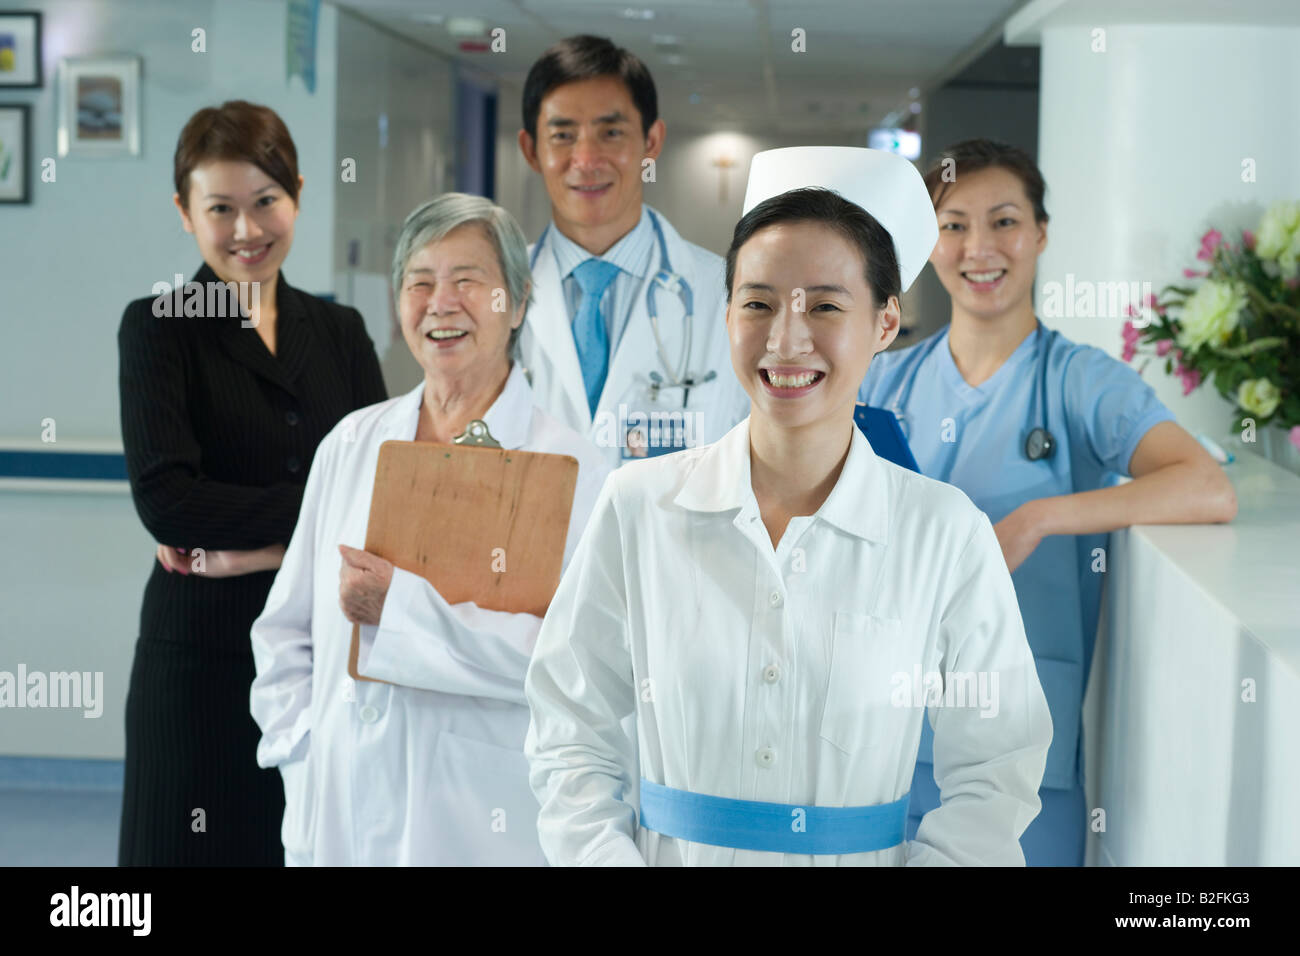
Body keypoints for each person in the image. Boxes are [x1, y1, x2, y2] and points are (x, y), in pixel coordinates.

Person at [524, 147, 1052, 866]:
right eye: (759, 302)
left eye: (826, 305)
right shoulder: (641, 507)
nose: (786, 338)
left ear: (886, 322)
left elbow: (998, 766)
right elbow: (568, 719)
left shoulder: (943, 533)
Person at [858, 138, 1238, 866]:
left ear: (1039, 234)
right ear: (927, 244)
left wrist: (1037, 518)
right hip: (887, 738)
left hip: (1025, 750)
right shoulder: (883, 383)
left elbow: (1205, 486)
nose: (980, 247)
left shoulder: (1080, 381)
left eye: (1004, 221)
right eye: (953, 224)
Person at [249, 193, 611, 866]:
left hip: (475, 820)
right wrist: (301, 753)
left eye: (467, 281)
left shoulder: (572, 469)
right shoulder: (351, 443)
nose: (439, 303)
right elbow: (284, 631)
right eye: (419, 282)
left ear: (519, 303)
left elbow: (572, 663)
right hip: (336, 813)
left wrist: (403, 610)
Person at [116, 100, 387, 866]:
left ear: (297, 192)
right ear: (184, 212)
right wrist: (312, 531)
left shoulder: (339, 334)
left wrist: (251, 551)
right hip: (200, 660)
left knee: (301, 849)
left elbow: (373, 495)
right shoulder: (159, 328)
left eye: (266, 201)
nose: (246, 230)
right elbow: (167, 499)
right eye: (220, 209)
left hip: (319, 650)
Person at [516, 34, 749, 469]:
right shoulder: (495, 295)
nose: (586, 159)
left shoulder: (726, 295)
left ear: (651, 142)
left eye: (611, 132)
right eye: (563, 135)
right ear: (531, 150)